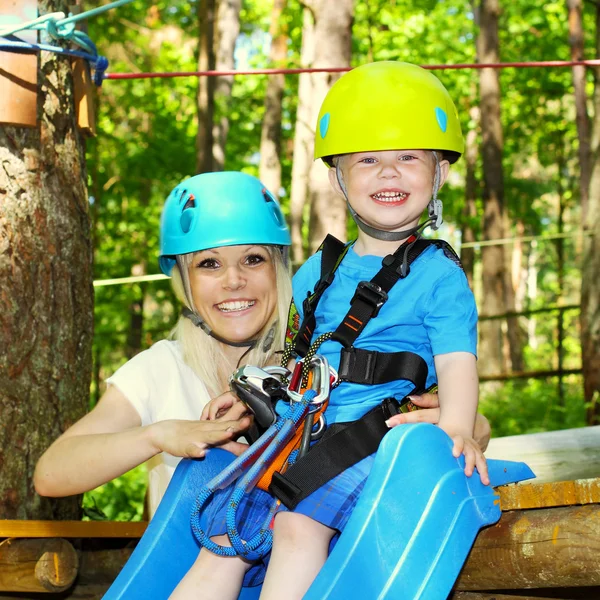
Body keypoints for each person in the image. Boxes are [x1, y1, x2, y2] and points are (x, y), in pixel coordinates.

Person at [172, 62, 488, 600]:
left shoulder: (440, 274)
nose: (389, 174)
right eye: (367, 161)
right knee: (225, 532)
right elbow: (291, 357)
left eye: (409, 158)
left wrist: (457, 429)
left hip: (374, 442)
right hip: (302, 434)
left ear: (440, 173)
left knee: (296, 525)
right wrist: (247, 403)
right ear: (337, 175)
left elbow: (458, 362)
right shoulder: (317, 273)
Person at [33, 171, 292, 516]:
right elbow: (51, 473)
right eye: (209, 263)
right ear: (183, 280)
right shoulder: (161, 369)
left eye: (253, 259)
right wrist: (158, 436)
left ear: (279, 268)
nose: (234, 280)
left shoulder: (312, 366)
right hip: (181, 569)